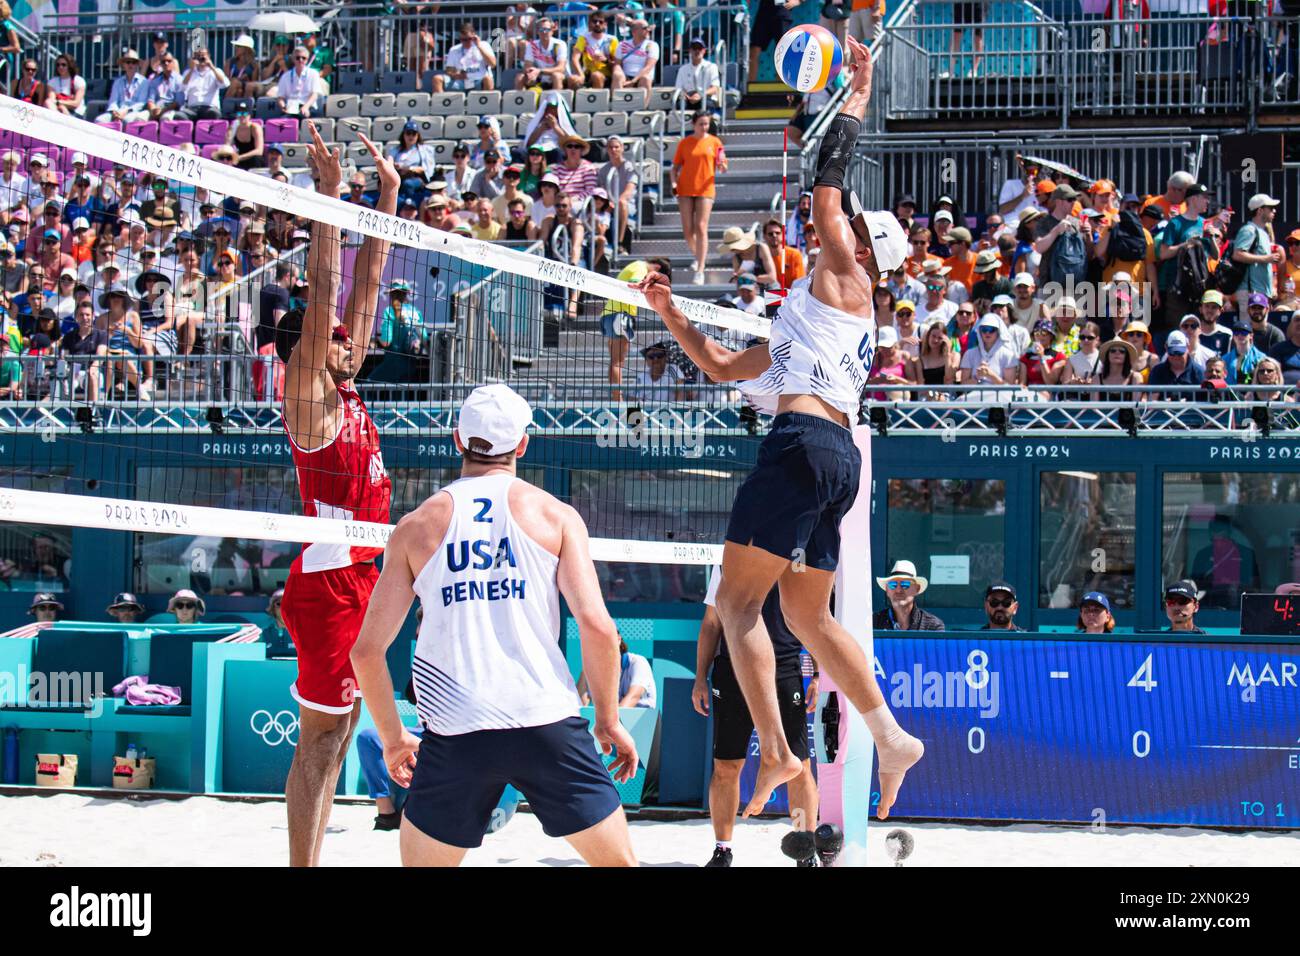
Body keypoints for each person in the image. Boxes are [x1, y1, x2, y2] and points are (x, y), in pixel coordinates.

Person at [635, 36, 922, 820]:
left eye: (852, 227)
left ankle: (782, 749)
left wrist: (857, 93)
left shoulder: (846, 271)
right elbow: (727, 367)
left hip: (801, 447)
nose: (839, 226)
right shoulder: (813, 318)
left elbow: (828, 192)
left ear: (865, 249)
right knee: (804, 615)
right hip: (833, 454)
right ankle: (890, 734)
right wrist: (670, 312)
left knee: (735, 606)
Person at [348, 383, 639, 867]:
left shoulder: (415, 527)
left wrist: (394, 737)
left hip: (456, 730)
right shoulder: (556, 515)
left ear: (456, 439)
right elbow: (598, 628)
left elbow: (366, 652)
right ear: (523, 445)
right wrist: (609, 719)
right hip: (546, 721)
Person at [276, 124, 398, 868]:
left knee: (340, 732)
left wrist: (383, 199)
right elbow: (327, 288)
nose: (358, 335)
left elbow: (364, 285)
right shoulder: (308, 397)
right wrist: (328, 199)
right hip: (331, 585)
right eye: (341, 335)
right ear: (314, 345)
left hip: (362, 576)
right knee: (322, 741)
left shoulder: (345, 384)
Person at [693, 568, 818, 868]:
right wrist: (700, 678)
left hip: (784, 667)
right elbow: (711, 624)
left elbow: (814, 621)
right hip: (733, 668)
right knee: (726, 766)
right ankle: (722, 850)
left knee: (799, 767)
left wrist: (816, 674)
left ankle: (805, 850)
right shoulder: (728, 564)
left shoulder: (795, 559)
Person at [672, 111, 727, 285]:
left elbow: (723, 166)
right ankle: (698, 255)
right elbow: (674, 169)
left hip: (705, 189)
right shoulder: (685, 143)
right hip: (685, 189)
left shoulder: (715, 142)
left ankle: (700, 268)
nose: (704, 127)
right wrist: (674, 184)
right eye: (701, 124)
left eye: (706, 124)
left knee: (701, 226)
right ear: (693, 125)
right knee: (688, 230)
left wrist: (722, 165)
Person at [1232, 194, 1284, 316]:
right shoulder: (1249, 230)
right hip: (1250, 292)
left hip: (1260, 292)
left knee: (1259, 331)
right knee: (1248, 330)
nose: (1274, 211)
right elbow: (1237, 254)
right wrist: (1267, 258)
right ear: (1260, 210)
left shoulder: (1263, 233)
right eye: (1270, 208)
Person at [577, 637, 655, 709]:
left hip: (646, 720)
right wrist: (586, 669)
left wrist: (612, 722)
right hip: (614, 721)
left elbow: (633, 697)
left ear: (618, 639)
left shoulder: (638, 662)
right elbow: (580, 705)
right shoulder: (596, 670)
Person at [873, 559, 945, 630]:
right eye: (893, 584)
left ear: (917, 589)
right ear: (887, 590)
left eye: (905, 584)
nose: (898, 590)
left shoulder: (932, 626)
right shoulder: (873, 622)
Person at [432, 21, 498, 93]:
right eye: (463, 40)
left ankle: (488, 103)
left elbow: (493, 64)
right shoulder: (454, 49)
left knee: (488, 79)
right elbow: (449, 70)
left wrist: (479, 46)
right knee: (437, 79)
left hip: (479, 79)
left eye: (469, 39)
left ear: (474, 36)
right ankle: (440, 103)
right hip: (461, 81)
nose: (466, 42)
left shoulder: (484, 45)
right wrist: (457, 74)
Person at [177, 47, 228, 121]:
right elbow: (182, 87)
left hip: (209, 107)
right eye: (198, 56)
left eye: (203, 56)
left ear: (208, 56)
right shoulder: (188, 73)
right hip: (192, 108)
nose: (201, 59)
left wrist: (212, 67)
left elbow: (224, 84)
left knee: (213, 114)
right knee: (179, 116)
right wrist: (191, 69)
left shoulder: (216, 71)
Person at [675, 35, 722, 115]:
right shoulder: (682, 69)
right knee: (680, 105)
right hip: (688, 98)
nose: (697, 51)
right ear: (690, 51)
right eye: (694, 48)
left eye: (699, 48)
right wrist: (687, 96)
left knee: (706, 105)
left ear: (704, 51)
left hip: (706, 97)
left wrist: (701, 95)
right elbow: (679, 89)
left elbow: (715, 88)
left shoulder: (712, 66)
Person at [517, 17, 568, 90]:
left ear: (552, 31)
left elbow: (561, 68)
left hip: (559, 78)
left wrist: (540, 71)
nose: (544, 32)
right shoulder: (532, 45)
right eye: (541, 29)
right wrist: (531, 73)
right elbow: (527, 66)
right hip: (540, 78)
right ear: (537, 31)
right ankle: (520, 100)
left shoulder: (560, 44)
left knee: (556, 76)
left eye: (547, 29)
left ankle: (555, 100)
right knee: (520, 77)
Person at [612, 18, 659, 91]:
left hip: (642, 77)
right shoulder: (622, 44)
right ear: (634, 31)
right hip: (625, 77)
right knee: (617, 75)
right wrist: (618, 72)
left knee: (645, 79)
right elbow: (617, 64)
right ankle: (616, 101)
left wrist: (634, 81)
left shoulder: (652, 45)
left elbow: (649, 66)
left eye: (648, 28)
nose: (648, 30)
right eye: (645, 28)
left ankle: (644, 103)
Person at [275, 46, 321, 118]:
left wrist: (306, 107)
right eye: (297, 58)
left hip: (308, 106)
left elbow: (314, 95)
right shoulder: (285, 76)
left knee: (305, 116)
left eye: (303, 58)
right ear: (293, 59)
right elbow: (280, 97)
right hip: (291, 107)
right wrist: (283, 107)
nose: (300, 60)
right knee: (283, 121)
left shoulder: (313, 74)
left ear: (307, 60)